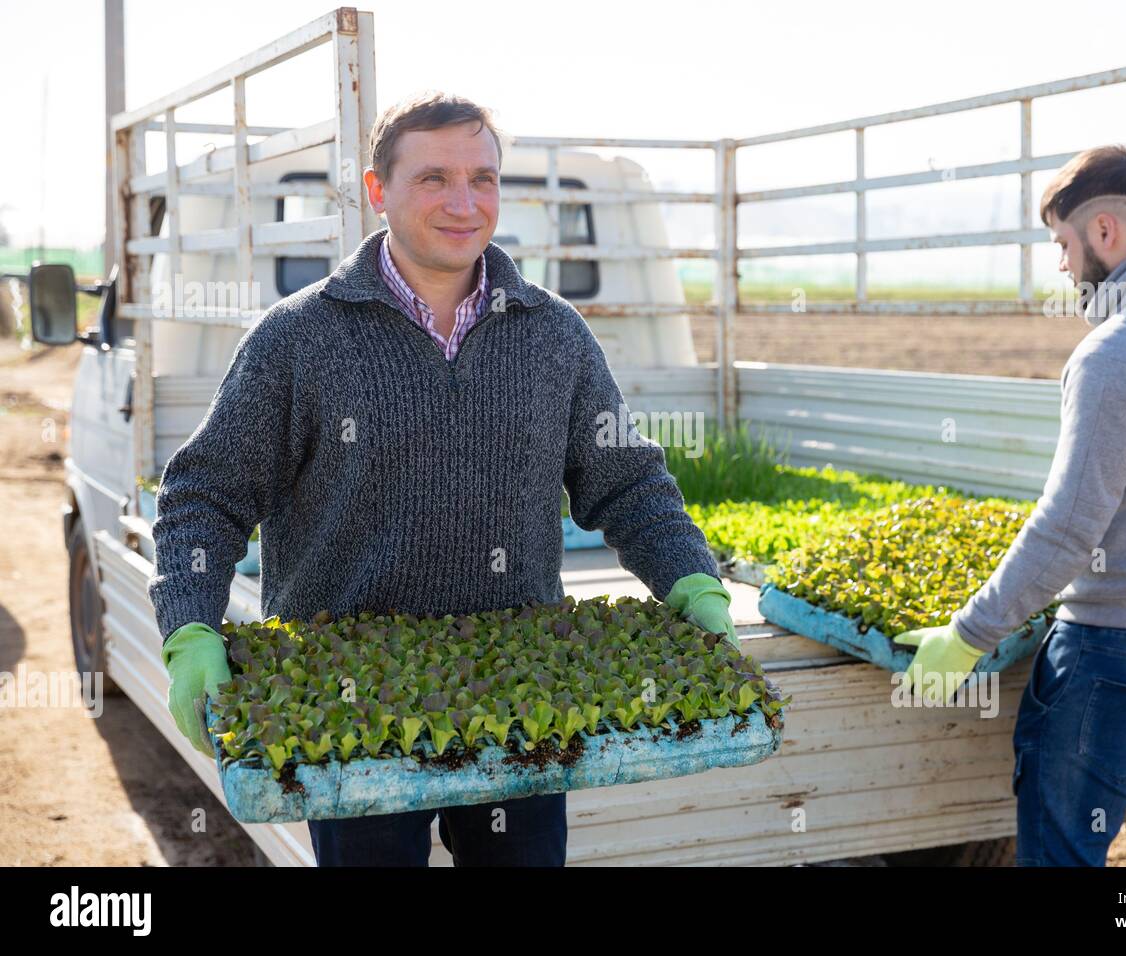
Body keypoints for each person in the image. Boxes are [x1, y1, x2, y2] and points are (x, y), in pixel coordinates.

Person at [148, 91, 737, 867]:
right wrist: (190, 626)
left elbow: (627, 481)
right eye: (434, 179)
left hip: (525, 698)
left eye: (483, 178)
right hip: (346, 704)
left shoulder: (552, 333)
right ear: (377, 191)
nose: (465, 203)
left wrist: (693, 582)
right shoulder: (299, 337)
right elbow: (206, 495)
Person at [894, 145, 1126, 866]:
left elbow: (1069, 529)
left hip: (1117, 651)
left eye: (1062, 244)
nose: (1063, 267)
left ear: (1105, 232)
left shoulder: (1116, 354)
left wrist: (968, 634)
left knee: (1062, 850)